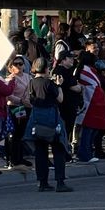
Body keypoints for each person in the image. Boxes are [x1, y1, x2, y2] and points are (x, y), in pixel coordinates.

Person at [26, 58, 72, 192]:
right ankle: (60, 182)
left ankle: (42, 182)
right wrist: (59, 85)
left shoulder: (31, 82)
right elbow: (60, 99)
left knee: (41, 152)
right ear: (46, 69)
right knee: (58, 150)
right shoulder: (49, 83)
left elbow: (30, 100)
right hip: (51, 118)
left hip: (37, 119)